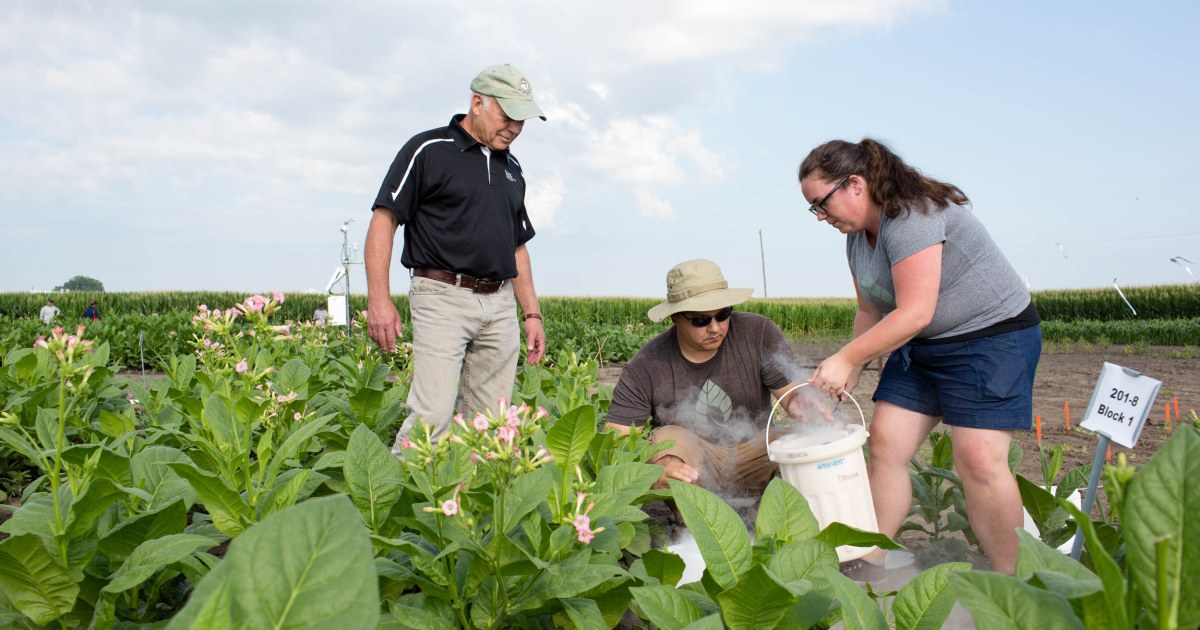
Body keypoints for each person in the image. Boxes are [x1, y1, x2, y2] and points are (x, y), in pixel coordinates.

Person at [798, 138, 1041, 574]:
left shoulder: (912, 215)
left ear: (855, 184)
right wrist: (852, 370)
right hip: (924, 344)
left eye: (822, 203)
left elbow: (914, 312)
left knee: (980, 460)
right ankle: (868, 558)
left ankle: (1016, 584)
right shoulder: (856, 240)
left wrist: (845, 359)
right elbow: (870, 310)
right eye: (814, 208)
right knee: (886, 444)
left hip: (990, 339)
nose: (821, 216)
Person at [365, 64, 548, 449]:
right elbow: (384, 220)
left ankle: (465, 506)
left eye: (522, 121)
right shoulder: (429, 149)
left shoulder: (512, 167)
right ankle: (391, 503)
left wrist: (531, 313)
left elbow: (517, 246)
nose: (515, 128)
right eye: (508, 116)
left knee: (490, 422)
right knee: (431, 417)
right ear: (477, 102)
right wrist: (379, 300)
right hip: (442, 296)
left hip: (499, 305)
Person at [605, 259, 816, 496]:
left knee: (804, 444)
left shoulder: (758, 334)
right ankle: (692, 524)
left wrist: (800, 400)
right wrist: (653, 472)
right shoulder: (646, 365)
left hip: (755, 454)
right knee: (668, 440)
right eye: (701, 320)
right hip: (695, 469)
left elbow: (792, 394)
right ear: (675, 317)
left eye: (723, 314)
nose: (715, 328)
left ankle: (772, 515)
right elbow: (617, 440)